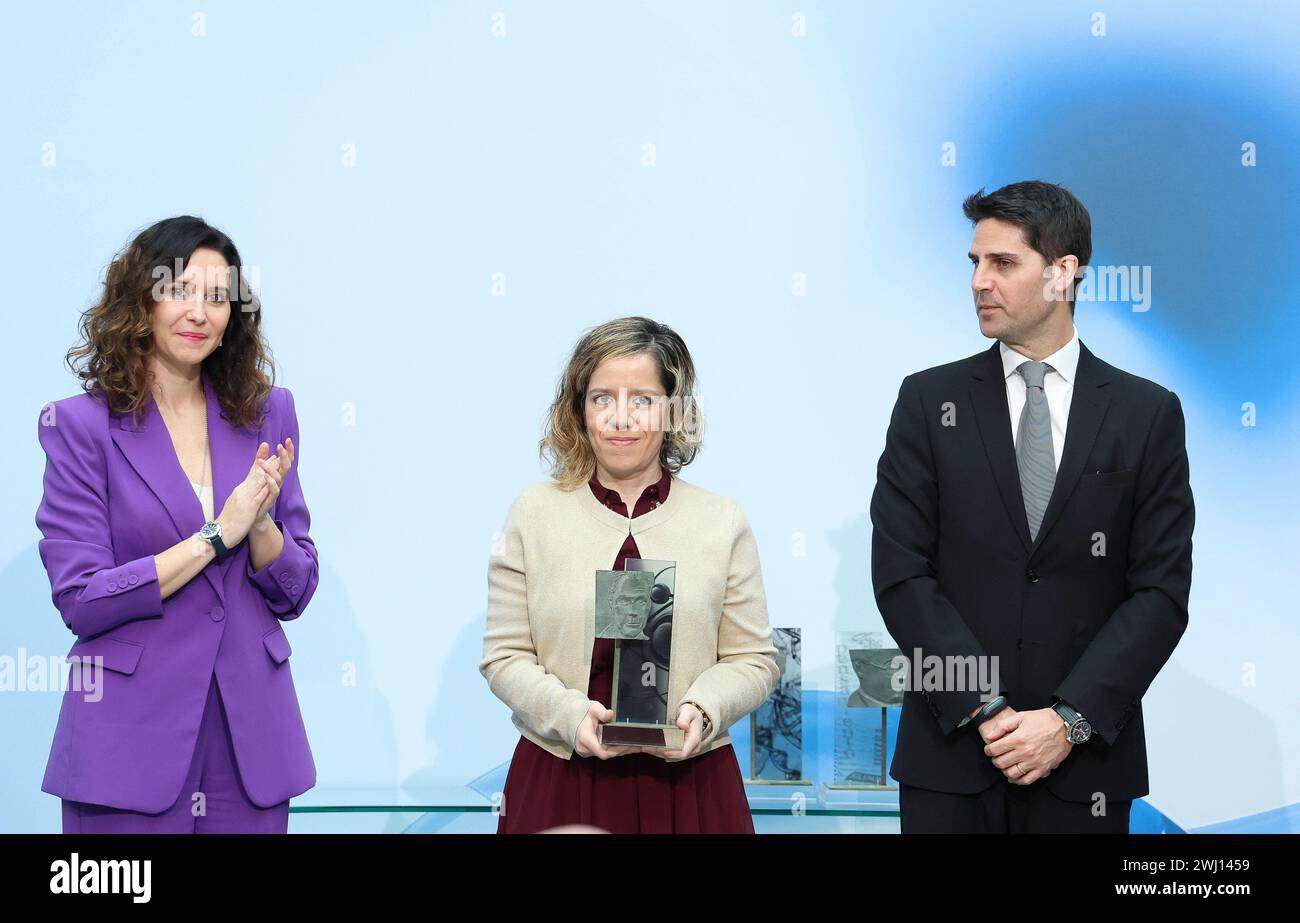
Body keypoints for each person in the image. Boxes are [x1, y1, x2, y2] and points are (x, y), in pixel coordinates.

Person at [870, 181, 1194, 833]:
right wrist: (985, 708)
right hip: (951, 762)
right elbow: (902, 575)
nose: (979, 282)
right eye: (974, 263)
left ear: (1063, 272)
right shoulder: (928, 402)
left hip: (1086, 771)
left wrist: (1068, 721)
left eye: (1003, 263)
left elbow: (1159, 592)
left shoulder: (1147, 413)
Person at [35, 216, 318, 833]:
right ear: (140, 300)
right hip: (127, 739)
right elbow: (82, 597)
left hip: (249, 743)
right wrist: (219, 535)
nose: (199, 312)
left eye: (218, 298)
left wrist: (262, 526)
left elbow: (296, 590)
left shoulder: (270, 413)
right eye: (180, 290)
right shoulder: (79, 428)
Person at [480, 316, 781, 833]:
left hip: (691, 782)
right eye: (602, 398)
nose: (622, 418)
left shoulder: (721, 520)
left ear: (673, 410)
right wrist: (568, 716)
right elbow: (504, 656)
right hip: (560, 776)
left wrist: (704, 713)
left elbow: (753, 660)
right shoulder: (532, 514)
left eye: (642, 399)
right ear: (579, 410)